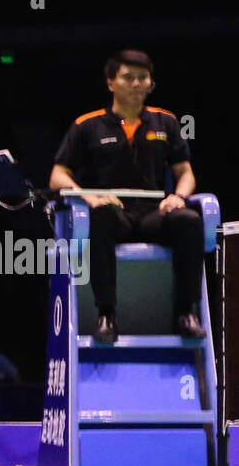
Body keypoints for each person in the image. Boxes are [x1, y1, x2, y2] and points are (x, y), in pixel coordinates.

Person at [49, 49, 205, 344]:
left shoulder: (166, 122)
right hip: (112, 213)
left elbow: (186, 173)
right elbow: (58, 176)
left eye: (143, 78)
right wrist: (91, 198)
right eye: (128, 77)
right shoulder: (87, 125)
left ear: (151, 84)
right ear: (110, 83)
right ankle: (106, 315)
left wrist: (179, 197)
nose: (136, 84)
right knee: (102, 219)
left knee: (188, 221)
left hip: (153, 213)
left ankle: (186, 313)